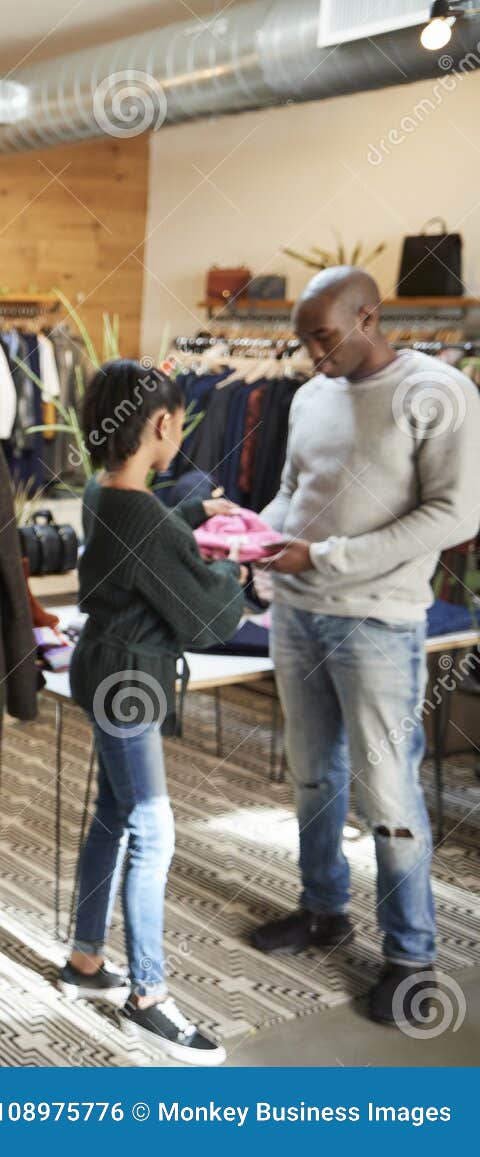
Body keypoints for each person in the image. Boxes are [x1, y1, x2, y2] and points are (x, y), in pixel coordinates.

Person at [253, 266, 480, 1026]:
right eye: (303, 343)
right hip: (295, 610)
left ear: (369, 317)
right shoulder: (311, 394)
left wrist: (325, 556)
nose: (313, 355)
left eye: (323, 337)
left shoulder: (439, 392)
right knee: (314, 776)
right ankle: (322, 909)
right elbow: (294, 488)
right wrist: (253, 533)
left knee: (388, 791)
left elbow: (453, 513)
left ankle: (411, 953)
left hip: (377, 619)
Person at [64, 359, 246, 1065]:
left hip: (104, 668)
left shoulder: (98, 492)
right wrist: (237, 566)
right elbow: (210, 615)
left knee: (114, 813)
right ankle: (147, 995)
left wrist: (194, 516)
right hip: (129, 682)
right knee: (154, 828)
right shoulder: (141, 514)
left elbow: (146, 526)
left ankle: (85, 956)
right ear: (164, 425)